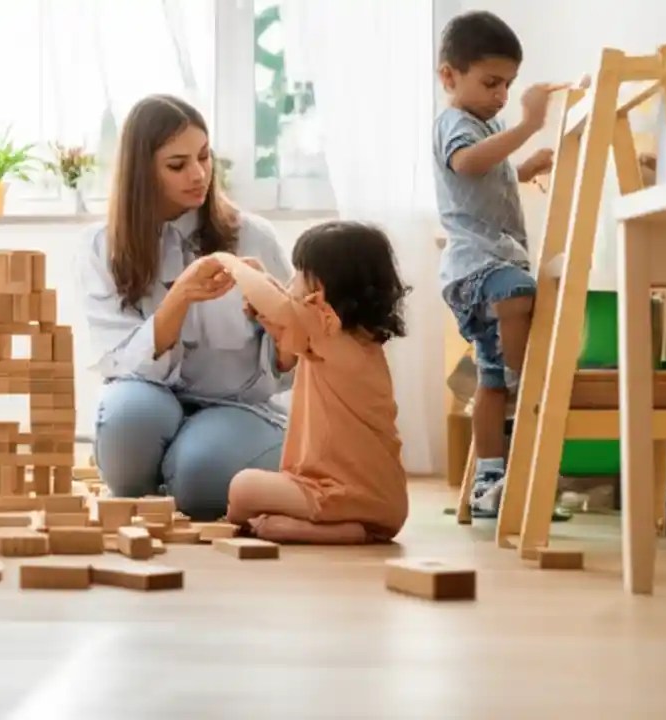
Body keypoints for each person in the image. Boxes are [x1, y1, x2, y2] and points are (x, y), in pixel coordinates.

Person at [78, 94, 294, 521]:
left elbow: (295, 362)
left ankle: (187, 469)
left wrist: (277, 318)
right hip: (151, 396)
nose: (198, 175)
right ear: (143, 172)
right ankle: (156, 477)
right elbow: (120, 361)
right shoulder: (103, 247)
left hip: (239, 406)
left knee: (198, 478)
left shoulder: (252, 236)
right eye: (177, 165)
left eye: (203, 156)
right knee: (127, 424)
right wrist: (180, 298)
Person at [433, 11, 561, 517]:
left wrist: (525, 167)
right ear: (449, 76)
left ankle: (491, 477)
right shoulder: (454, 124)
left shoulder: (488, 124)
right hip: (473, 265)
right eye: (491, 83)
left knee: (487, 383)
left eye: (508, 84)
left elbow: (491, 171)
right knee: (520, 292)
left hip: (495, 259)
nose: (502, 94)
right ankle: (518, 374)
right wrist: (530, 125)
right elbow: (468, 163)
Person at [221, 222, 410, 543]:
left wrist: (229, 263)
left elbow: (280, 308)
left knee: (242, 488)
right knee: (254, 494)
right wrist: (260, 280)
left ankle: (325, 527)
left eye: (297, 273)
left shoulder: (324, 330)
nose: (291, 281)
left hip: (340, 493)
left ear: (319, 290)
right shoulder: (352, 338)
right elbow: (283, 313)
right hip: (387, 504)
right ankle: (352, 531)